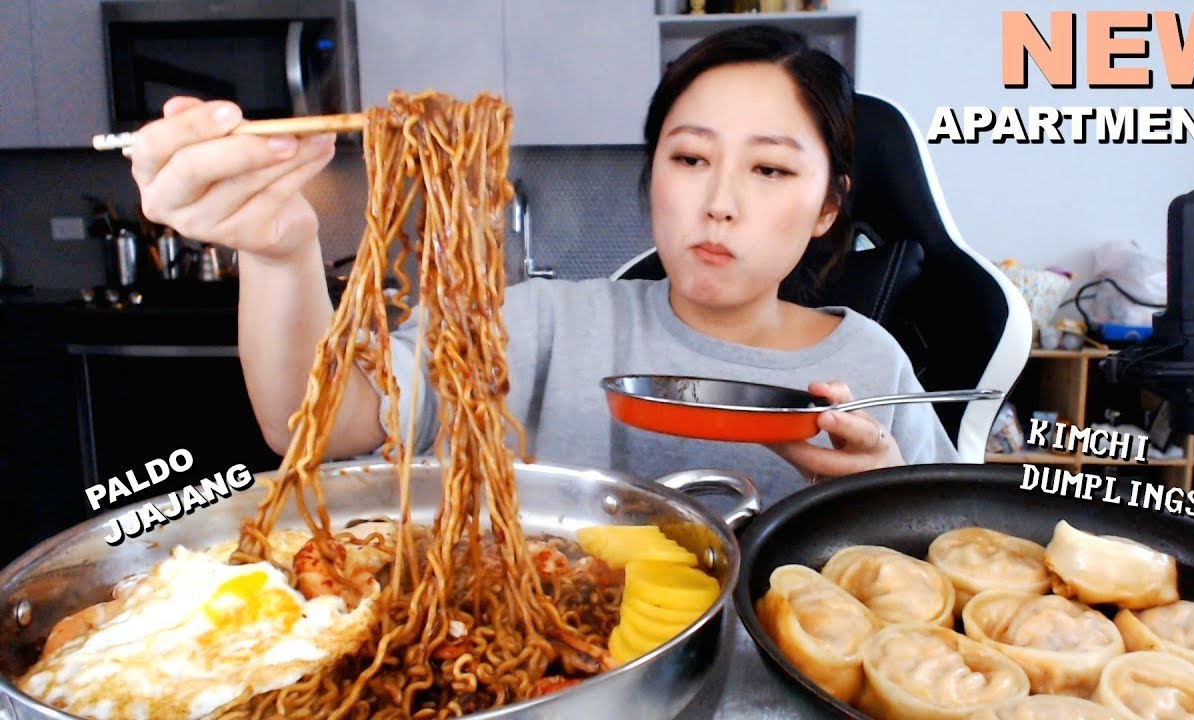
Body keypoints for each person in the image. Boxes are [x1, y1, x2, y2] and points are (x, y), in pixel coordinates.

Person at [127, 25, 959, 506]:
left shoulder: (869, 362)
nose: (721, 203)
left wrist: (880, 490)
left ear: (826, 208)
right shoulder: (542, 325)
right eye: (690, 159)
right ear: (653, 176)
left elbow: (950, 544)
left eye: (771, 170)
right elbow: (321, 422)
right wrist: (278, 249)